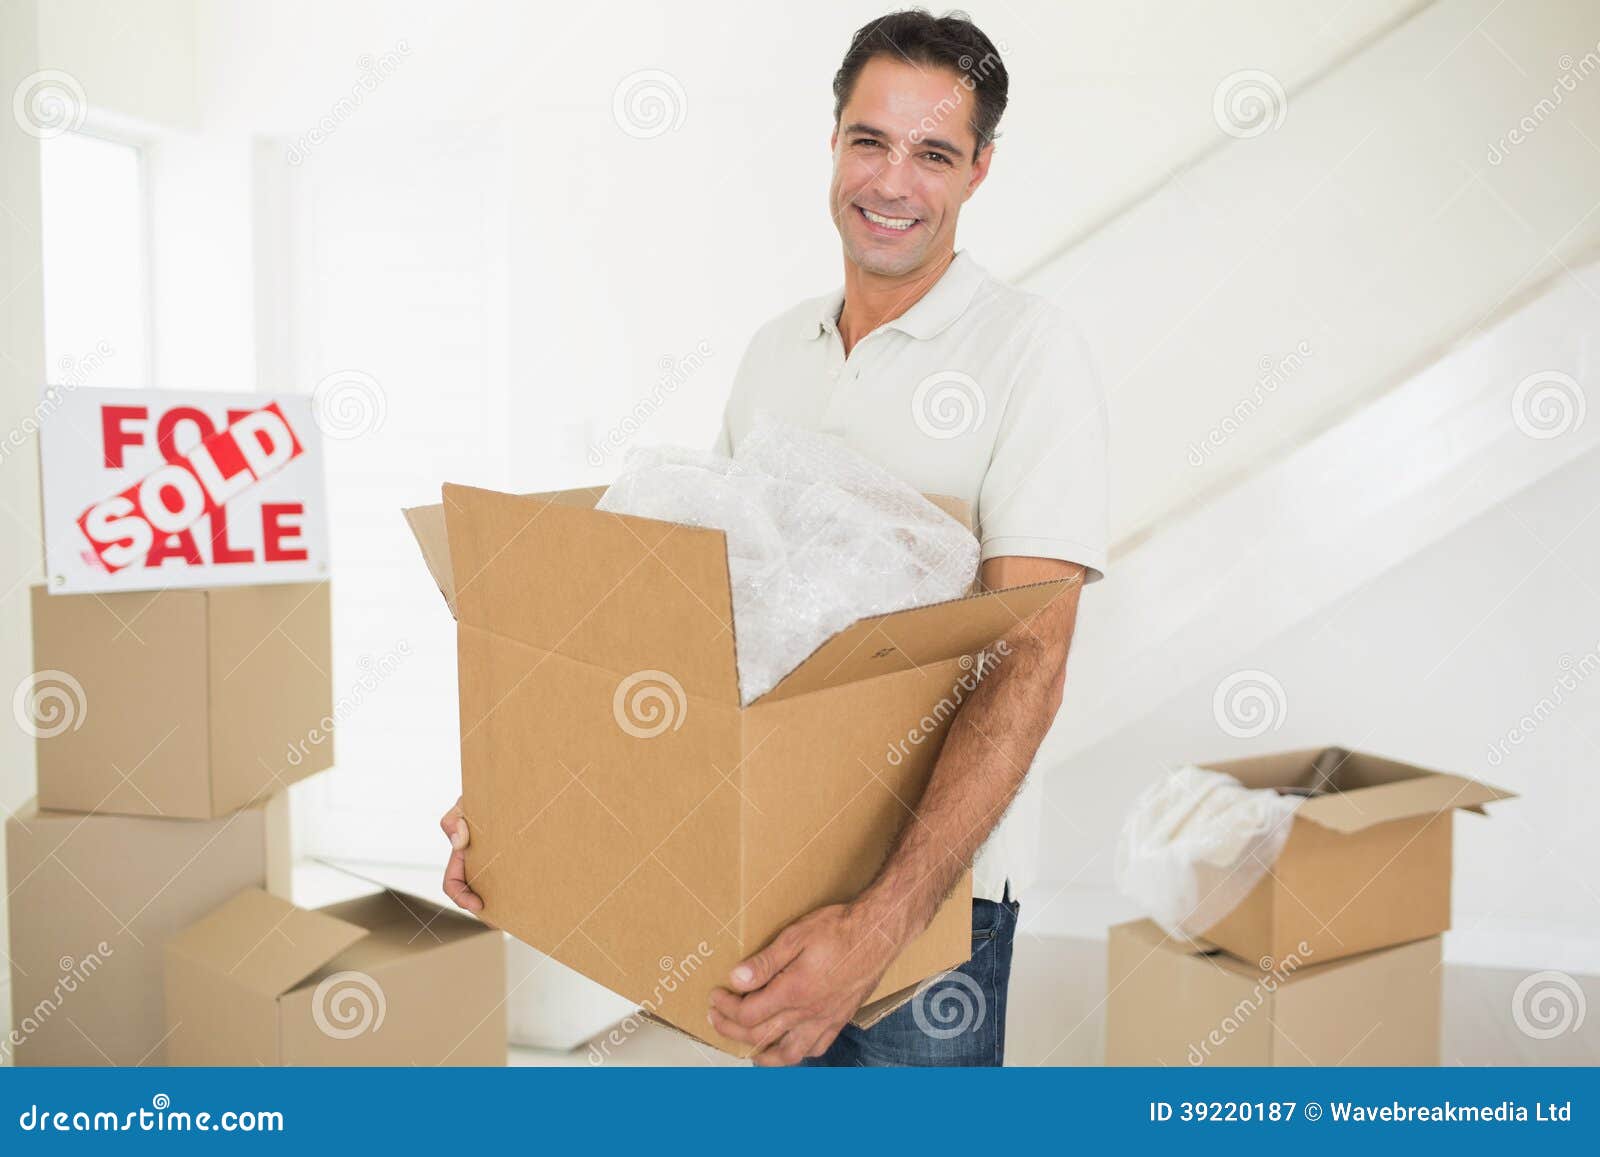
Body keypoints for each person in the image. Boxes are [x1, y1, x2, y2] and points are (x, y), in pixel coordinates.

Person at [441, 7, 1107, 1067]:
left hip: (932, 913)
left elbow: (1030, 656)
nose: (892, 182)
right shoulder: (774, 354)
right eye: (869, 140)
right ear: (834, 140)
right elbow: (697, 615)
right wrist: (537, 782)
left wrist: (881, 922)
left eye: (933, 152)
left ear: (979, 169)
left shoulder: (1030, 352)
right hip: (751, 865)